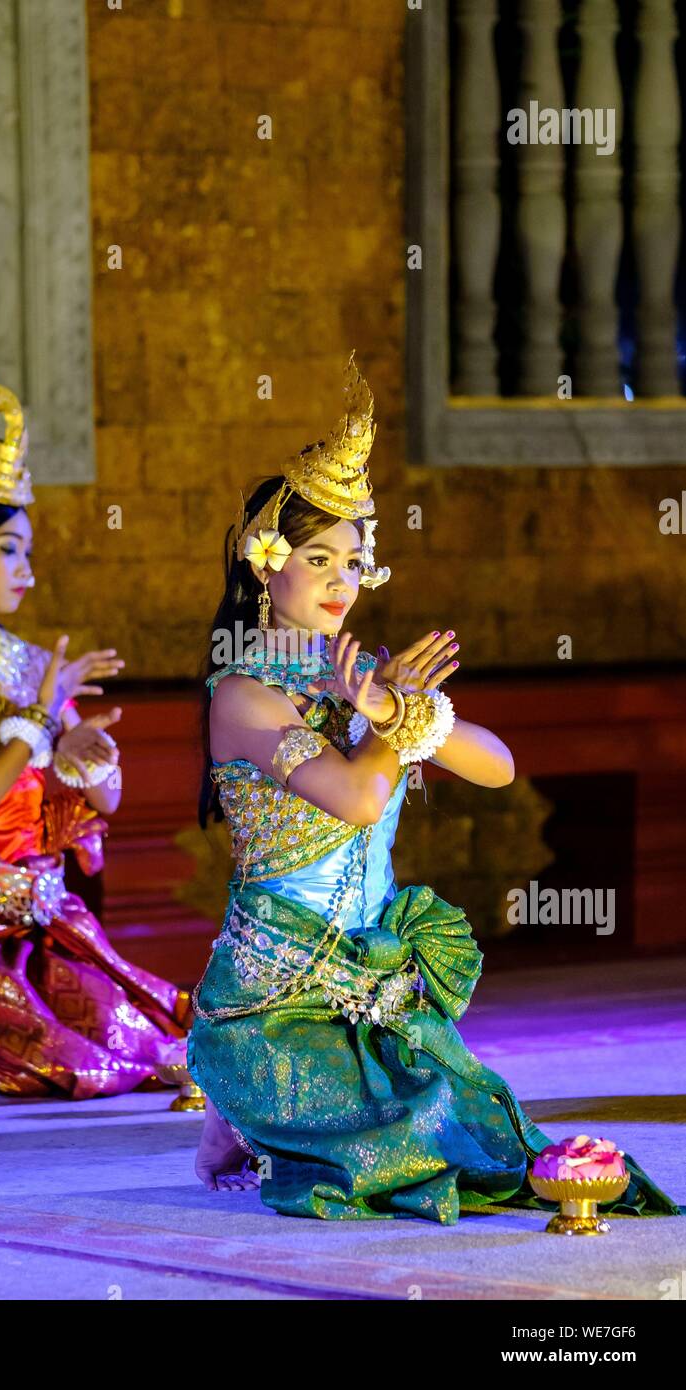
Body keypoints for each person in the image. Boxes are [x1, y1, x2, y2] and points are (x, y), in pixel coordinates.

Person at [186, 353, 682, 1221]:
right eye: (317, 557)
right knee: (404, 1153)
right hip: (277, 990)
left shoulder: (369, 673)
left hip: (375, 974)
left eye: (354, 558)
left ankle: (263, 1121)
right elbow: (357, 799)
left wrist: (406, 711)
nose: (343, 580)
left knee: (482, 1134)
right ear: (265, 565)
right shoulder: (242, 693)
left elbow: (497, 764)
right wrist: (386, 723)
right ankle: (244, 1105)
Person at [0, 361, 191, 1097]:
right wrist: (39, 725)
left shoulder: (31, 664)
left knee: (147, 1040)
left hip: (40, 914)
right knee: (75, 1068)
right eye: (10, 549)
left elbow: (105, 805)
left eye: (28, 552)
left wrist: (85, 759)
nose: (27, 570)